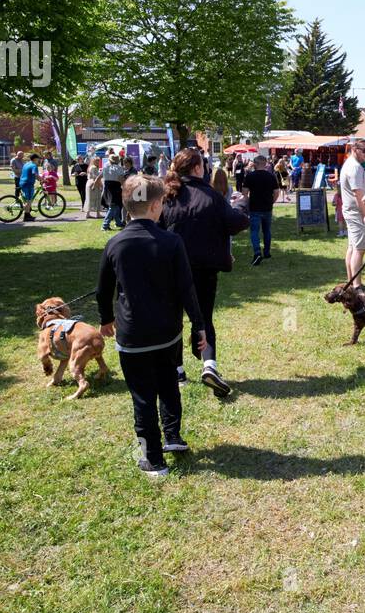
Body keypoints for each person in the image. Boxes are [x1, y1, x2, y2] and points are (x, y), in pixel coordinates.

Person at [97, 175, 207, 477]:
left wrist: (105, 318)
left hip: (133, 336)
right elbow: (188, 289)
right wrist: (199, 326)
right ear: (157, 205)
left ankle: (154, 457)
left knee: (143, 396)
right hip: (166, 333)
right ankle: (171, 437)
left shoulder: (115, 242)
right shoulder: (172, 241)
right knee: (169, 386)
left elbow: (102, 289)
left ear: (124, 203)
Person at [159, 148, 250, 399]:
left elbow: (153, 227)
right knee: (203, 317)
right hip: (203, 268)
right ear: (198, 169)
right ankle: (209, 365)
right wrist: (242, 204)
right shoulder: (210, 196)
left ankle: (177, 371)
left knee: (174, 318)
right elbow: (237, 222)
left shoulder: (167, 196)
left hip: (172, 267)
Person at [340, 138, 365, 289]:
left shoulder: (351, 164)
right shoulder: (355, 167)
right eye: (364, 150)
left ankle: (352, 283)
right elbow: (357, 194)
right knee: (359, 250)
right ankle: (357, 286)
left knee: (353, 248)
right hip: (357, 213)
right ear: (354, 149)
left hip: (352, 211)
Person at [241, 155, 280, 265]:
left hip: (254, 207)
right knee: (266, 230)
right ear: (265, 164)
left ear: (255, 164)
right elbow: (277, 192)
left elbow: (244, 192)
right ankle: (267, 252)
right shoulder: (271, 176)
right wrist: (271, 201)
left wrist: (248, 200)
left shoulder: (250, 176)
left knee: (254, 231)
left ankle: (257, 252)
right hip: (267, 207)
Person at [101, 153, 126, 230]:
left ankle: (118, 222)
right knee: (113, 206)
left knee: (116, 206)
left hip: (107, 187)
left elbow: (101, 176)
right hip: (115, 188)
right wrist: (125, 186)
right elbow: (121, 179)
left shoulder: (105, 167)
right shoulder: (119, 168)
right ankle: (105, 225)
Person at [18, 152, 40, 222]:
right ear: (35, 159)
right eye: (38, 160)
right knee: (29, 200)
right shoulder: (34, 165)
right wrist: (42, 179)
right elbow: (35, 174)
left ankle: (28, 214)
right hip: (28, 184)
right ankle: (26, 216)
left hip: (22, 182)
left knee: (27, 200)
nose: (38, 161)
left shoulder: (26, 164)